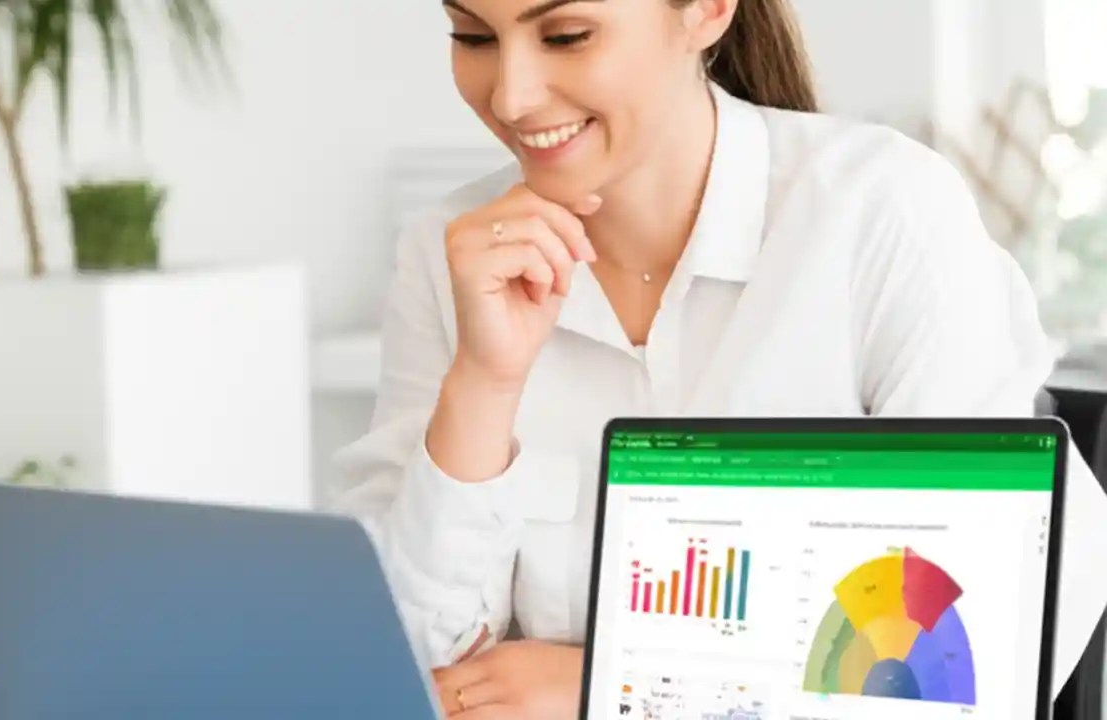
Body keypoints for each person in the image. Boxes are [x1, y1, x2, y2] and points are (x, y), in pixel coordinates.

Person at [326, 0, 1107, 718]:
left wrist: (624, 690)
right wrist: (484, 384)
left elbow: (976, 656)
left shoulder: (880, 213)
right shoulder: (450, 250)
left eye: (566, 36)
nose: (512, 96)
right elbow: (406, 667)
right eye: (473, 36)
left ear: (705, 10)